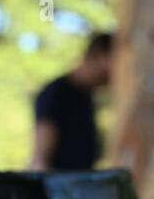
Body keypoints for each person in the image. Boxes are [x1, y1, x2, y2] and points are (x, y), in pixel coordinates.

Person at [31, 32, 114, 171]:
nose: (109, 79)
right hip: (61, 185)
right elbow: (40, 159)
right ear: (96, 56)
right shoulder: (56, 92)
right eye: (106, 74)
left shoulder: (86, 96)